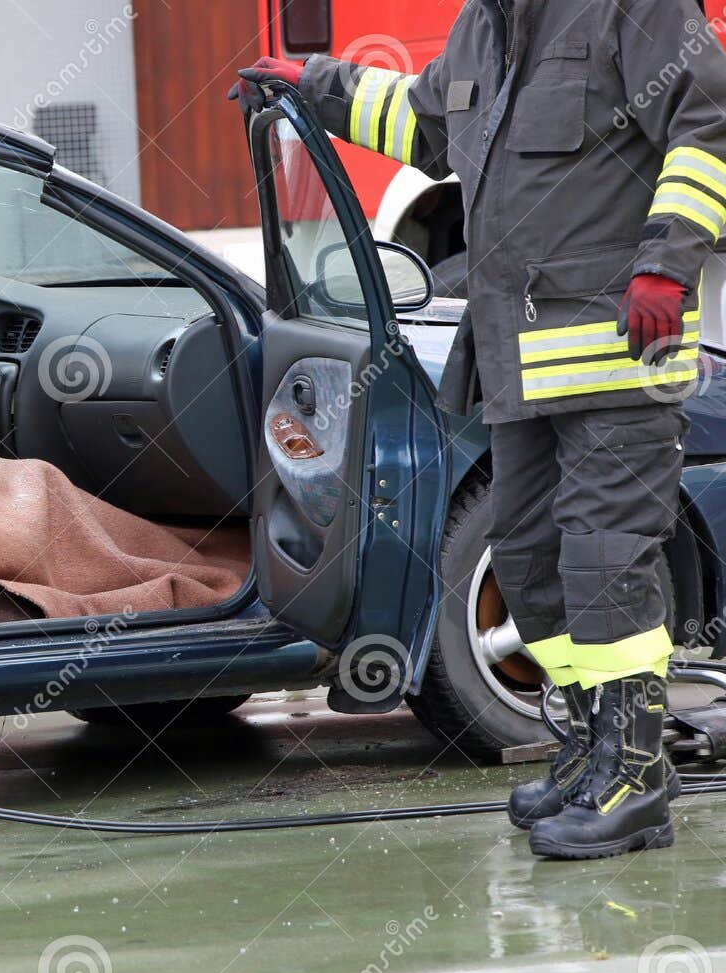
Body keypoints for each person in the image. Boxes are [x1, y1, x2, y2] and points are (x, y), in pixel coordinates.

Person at [235, 0, 726, 859]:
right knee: (532, 564)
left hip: (617, 352)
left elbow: (709, 125)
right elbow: (421, 121)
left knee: (606, 556)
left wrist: (667, 263)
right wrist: (314, 86)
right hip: (516, 362)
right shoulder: (480, 29)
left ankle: (637, 776)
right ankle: (593, 749)